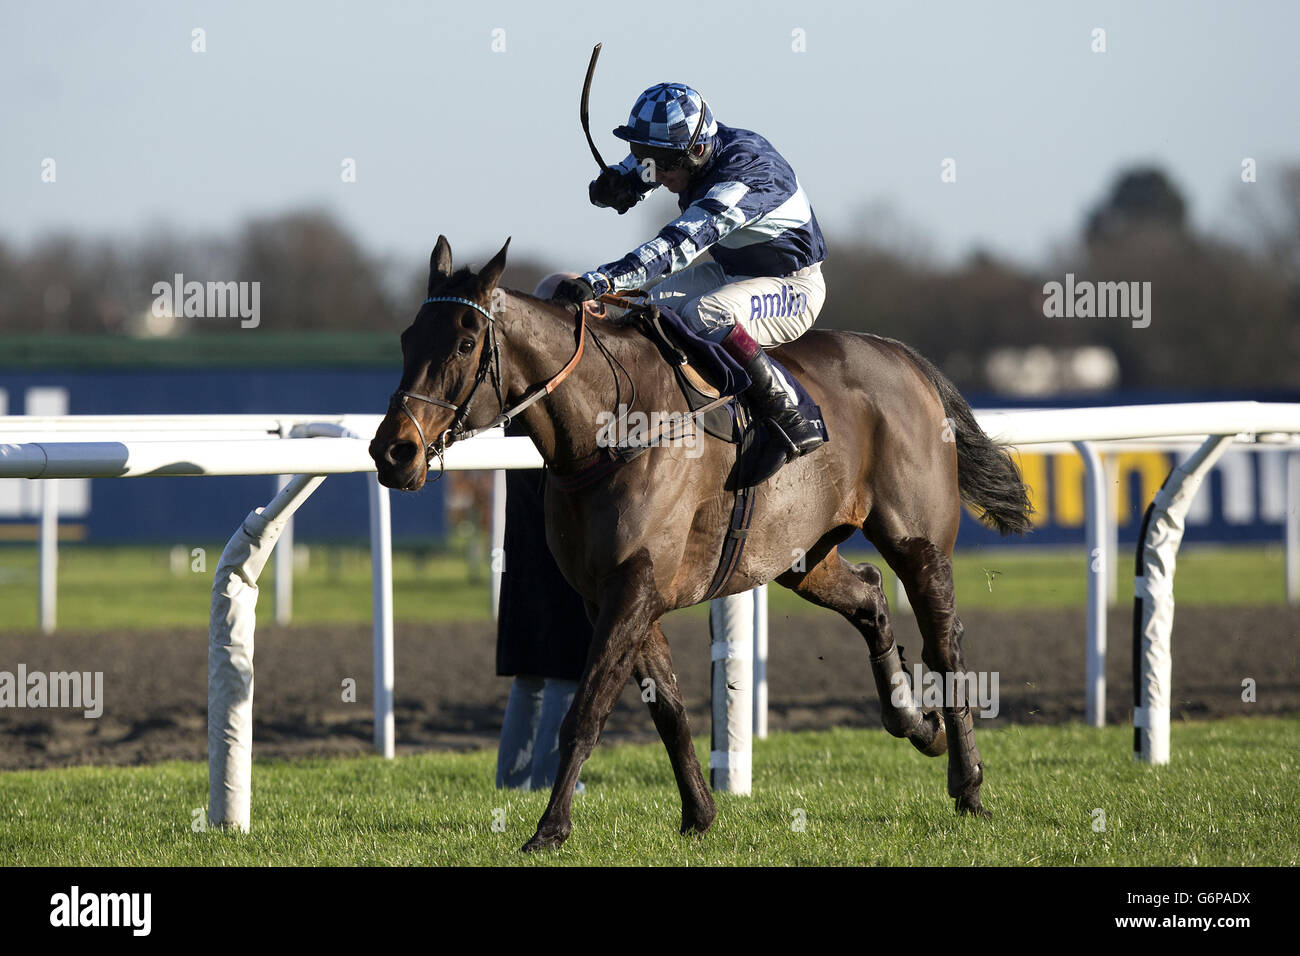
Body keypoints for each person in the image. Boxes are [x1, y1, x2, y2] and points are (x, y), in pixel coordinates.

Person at [550, 82, 829, 484]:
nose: (653, 173)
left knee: (704, 314)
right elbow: (644, 170)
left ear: (696, 151)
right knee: (635, 306)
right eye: (644, 157)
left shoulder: (746, 175)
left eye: (660, 164)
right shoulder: (687, 151)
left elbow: (675, 247)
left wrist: (601, 278)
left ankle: (791, 417)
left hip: (792, 287)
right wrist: (612, 187)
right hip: (731, 271)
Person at [494, 274, 600, 791]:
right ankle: (554, 782)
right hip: (562, 541)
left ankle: (513, 782)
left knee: (532, 672)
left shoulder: (514, 388)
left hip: (521, 546)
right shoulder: (563, 395)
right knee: (564, 669)